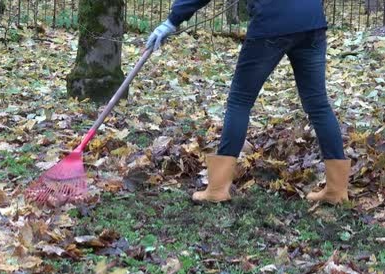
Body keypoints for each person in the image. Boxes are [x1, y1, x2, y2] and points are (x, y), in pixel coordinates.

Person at [146, 0, 350, 204]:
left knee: (240, 101)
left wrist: (172, 20)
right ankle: (337, 191)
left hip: (271, 21)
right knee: (318, 105)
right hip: (311, 21)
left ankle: (217, 189)